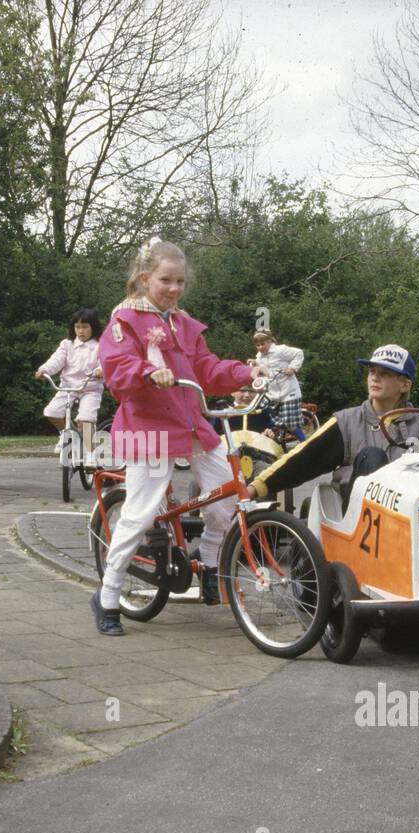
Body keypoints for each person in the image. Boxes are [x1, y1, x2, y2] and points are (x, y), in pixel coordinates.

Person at [93, 238, 268, 635]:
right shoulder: (125, 321)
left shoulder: (184, 324)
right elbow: (117, 369)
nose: (173, 289)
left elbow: (206, 368)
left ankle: (208, 563)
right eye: (165, 281)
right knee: (139, 515)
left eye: (180, 282)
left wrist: (246, 372)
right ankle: (107, 595)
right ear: (144, 279)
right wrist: (146, 372)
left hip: (192, 423)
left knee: (228, 499)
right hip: (148, 428)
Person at [247, 343, 419, 503]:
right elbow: (304, 458)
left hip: (407, 516)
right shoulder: (347, 421)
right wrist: (257, 486)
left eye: (385, 374)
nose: (375, 378)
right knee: (371, 456)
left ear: (405, 385)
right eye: (372, 372)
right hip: (356, 518)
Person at [36, 308, 103, 466]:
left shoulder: (100, 346)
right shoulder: (68, 344)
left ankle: (91, 454)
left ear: (93, 327)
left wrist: (101, 370)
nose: (81, 331)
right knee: (51, 412)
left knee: (86, 419)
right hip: (68, 387)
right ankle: (68, 434)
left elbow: (106, 362)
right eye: (77, 327)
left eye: (85, 327)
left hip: (90, 388)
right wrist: (44, 369)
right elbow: (56, 360)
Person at [252, 331, 306, 440]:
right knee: (266, 415)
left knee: (289, 424)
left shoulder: (280, 350)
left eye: (263, 344)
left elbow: (299, 353)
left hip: (288, 391)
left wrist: (292, 368)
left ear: (270, 341)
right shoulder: (259, 356)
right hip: (272, 393)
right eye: (258, 345)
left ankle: (305, 442)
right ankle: (278, 439)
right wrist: (254, 362)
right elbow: (261, 369)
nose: (260, 347)